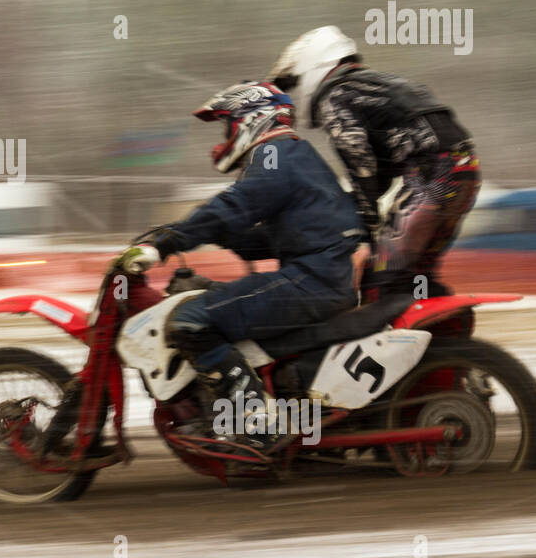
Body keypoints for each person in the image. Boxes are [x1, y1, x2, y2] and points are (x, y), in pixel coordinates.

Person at [119, 81, 362, 450]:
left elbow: (234, 207)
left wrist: (166, 241)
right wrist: (218, 233)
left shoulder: (275, 154)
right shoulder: (293, 154)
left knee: (190, 322)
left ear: (251, 118)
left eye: (226, 125)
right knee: (199, 295)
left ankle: (255, 422)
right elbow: (268, 238)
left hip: (312, 281)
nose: (224, 136)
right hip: (319, 276)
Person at [267, 26, 480, 300]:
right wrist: (361, 205)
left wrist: (363, 219)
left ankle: (404, 334)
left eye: (295, 83)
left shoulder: (336, 94)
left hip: (432, 175)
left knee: (381, 275)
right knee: (417, 272)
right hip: (464, 170)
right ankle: (442, 333)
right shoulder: (382, 82)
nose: (296, 92)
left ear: (313, 63)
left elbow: (360, 162)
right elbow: (384, 166)